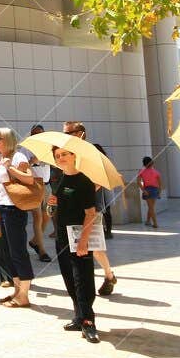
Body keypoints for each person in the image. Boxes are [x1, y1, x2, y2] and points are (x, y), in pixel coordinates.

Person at [48, 144, 102, 343]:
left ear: (73, 156)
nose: (61, 158)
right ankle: (79, 316)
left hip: (79, 236)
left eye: (64, 154)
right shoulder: (59, 180)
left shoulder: (84, 181)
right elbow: (53, 211)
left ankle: (89, 322)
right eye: (57, 156)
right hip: (62, 236)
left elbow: (90, 213)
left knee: (83, 279)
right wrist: (51, 205)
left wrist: (83, 242)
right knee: (69, 278)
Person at [64, 122, 118, 292]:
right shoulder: (68, 154)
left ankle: (109, 275)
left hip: (92, 207)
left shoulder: (93, 153)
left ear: (80, 133)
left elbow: (101, 179)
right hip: (73, 207)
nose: (65, 136)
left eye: (68, 132)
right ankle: (82, 283)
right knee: (77, 246)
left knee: (94, 246)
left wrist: (83, 193)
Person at [0, 127, 39, 308]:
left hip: (15, 209)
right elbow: (3, 186)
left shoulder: (18, 157)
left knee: (18, 251)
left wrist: (10, 168)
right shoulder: (0, 158)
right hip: (3, 207)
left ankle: (24, 295)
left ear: (8, 140)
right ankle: (17, 291)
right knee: (9, 252)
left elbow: (29, 179)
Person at [27, 125, 54, 262]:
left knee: (47, 216)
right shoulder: (26, 149)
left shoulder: (48, 148)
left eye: (41, 133)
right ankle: (42, 251)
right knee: (37, 218)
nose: (39, 136)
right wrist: (32, 161)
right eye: (35, 134)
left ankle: (35, 241)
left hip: (47, 185)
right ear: (31, 135)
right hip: (33, 186)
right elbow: (21, 166)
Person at [136, 156, 163, 228]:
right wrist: (159, 192)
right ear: (152, 163)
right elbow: (160, 183)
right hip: (155, 190)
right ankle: (149, 221)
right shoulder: (156, 172)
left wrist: (143, 190)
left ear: (144, 163)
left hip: (147, 190)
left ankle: (154, 223)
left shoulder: (141, 171)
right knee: (151, 207)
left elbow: (138, 182)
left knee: (151, 207)